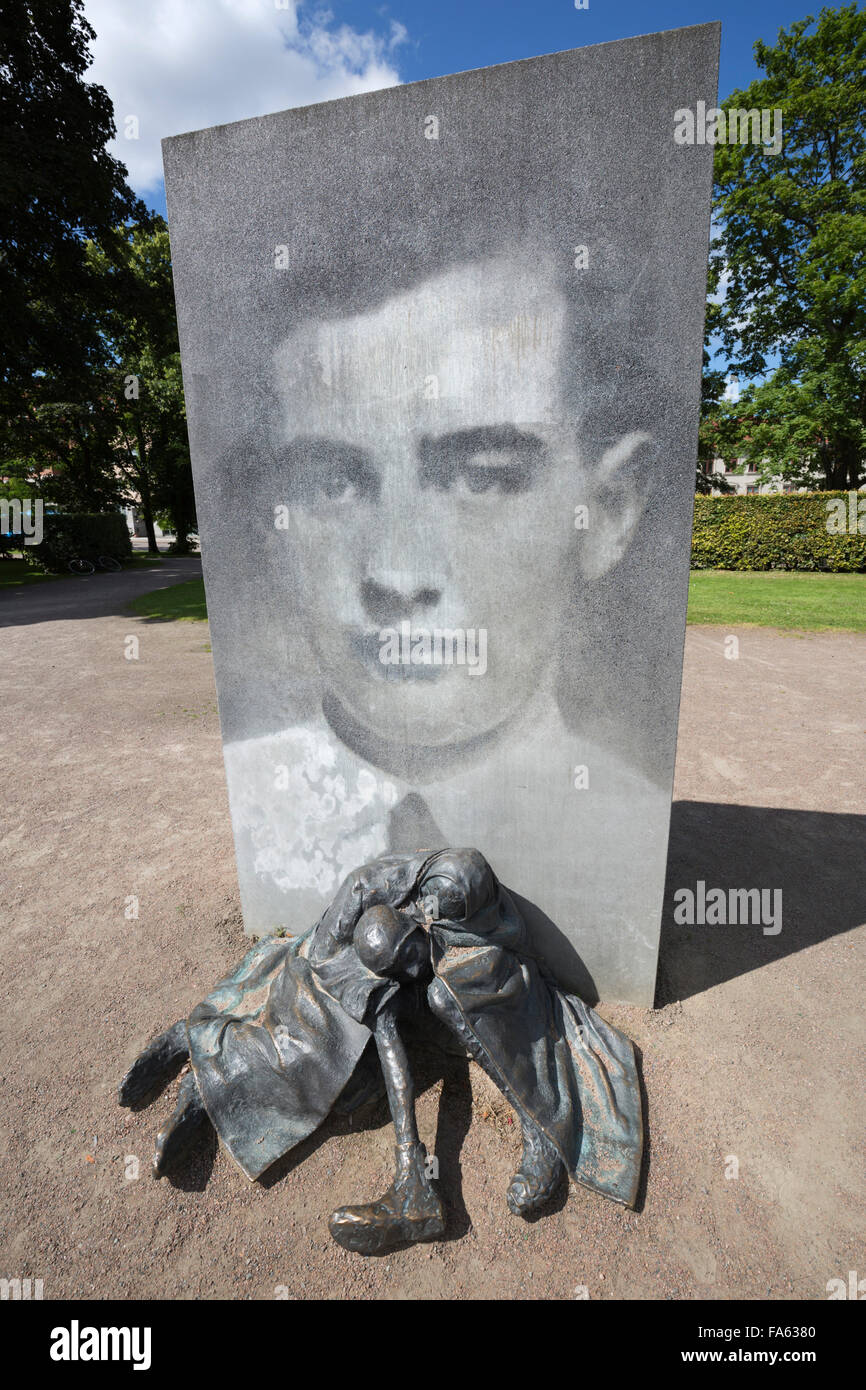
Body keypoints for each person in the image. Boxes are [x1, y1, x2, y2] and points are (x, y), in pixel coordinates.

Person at [119, 849, 643, 1254]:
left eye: (408, 960)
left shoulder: (453, 887)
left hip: (484, 955)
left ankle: (541, 1131)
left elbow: (484, 938)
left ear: (420, 927)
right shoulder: (363, 897)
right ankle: (209, 1068)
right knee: (305, 1007)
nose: (408, 973)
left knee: (451, 998)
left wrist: (433, 964)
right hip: (390, 955)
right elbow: (331, 962)